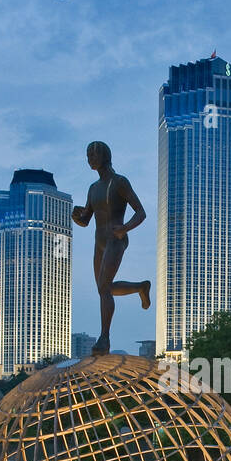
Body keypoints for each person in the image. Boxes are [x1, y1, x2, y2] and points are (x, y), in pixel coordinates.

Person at [72, 141, 148, 355]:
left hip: (116, 239)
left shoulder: (119, 182)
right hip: (99, 242)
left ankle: (104, 338)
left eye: (93, 155)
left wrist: (124, 229)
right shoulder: (93, 189)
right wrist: (77, 216)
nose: (90, 159)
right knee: (103, 289)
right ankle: (140, 287)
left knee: (104, 288)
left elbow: (141, 212)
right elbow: (86, 219)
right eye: (88, 156)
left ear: (105, 156)